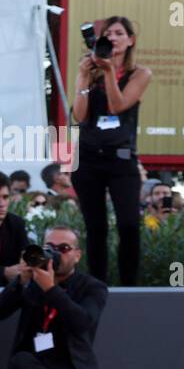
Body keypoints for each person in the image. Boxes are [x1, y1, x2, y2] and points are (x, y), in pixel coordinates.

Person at [0, 225, 108, 369]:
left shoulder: (93, 287)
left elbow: (82, 322)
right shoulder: (33, 281)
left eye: (63, 248)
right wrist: (21, 280)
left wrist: (51, 290)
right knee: (20, 360)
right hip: (32, 365)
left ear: (77, 255)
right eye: (49, 247)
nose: (55, 253)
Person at [70, 16, 151, 286]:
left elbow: (118, 107)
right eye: (108, 34)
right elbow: (79, 117)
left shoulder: (140, 74)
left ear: (130, 40)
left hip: (121, 159)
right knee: (96, 228)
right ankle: (96, 286)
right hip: (89, 158)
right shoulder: (90, 70)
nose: (113, 38)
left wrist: (108, 72)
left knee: (128, 225)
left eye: (119, 33)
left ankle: (129, 288)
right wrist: (83, 76)